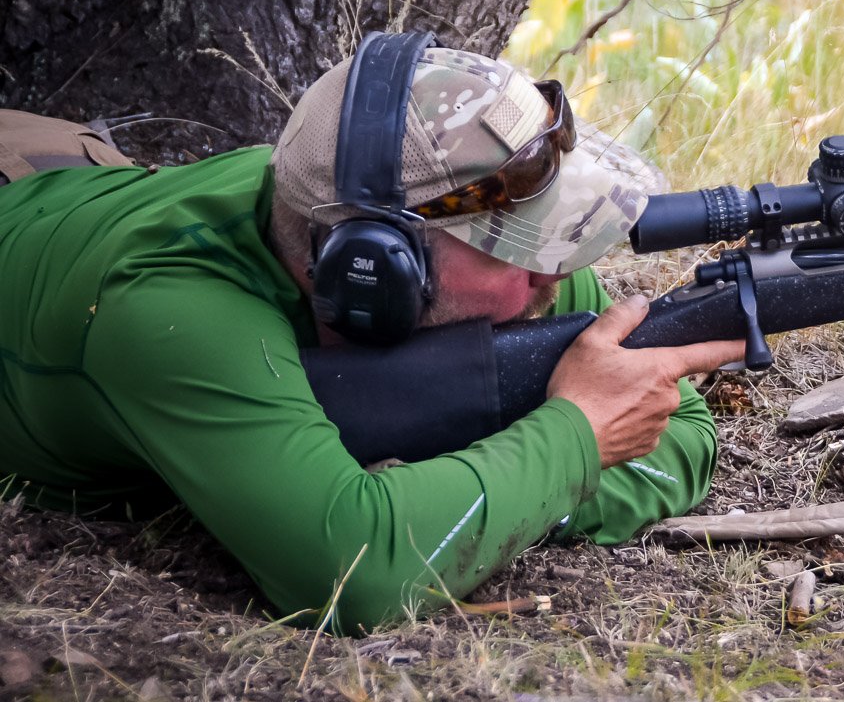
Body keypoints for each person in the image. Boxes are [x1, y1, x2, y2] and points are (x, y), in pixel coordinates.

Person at [0, 35, 744, 632]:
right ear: (377, 268)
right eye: (516, 245)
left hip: (73, 175)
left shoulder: (509, 275)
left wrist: (487, 488)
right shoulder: (168, 311)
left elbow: (682, 434)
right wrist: (570, 440)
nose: (556, 272)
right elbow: (354, 574)